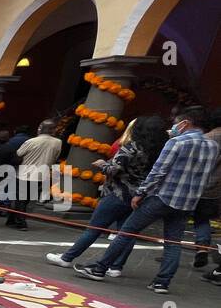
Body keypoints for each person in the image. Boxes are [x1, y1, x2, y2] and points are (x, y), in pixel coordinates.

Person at [75, 106, 218, 293]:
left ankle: (99, 268)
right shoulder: (213, 146)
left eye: (176, 123)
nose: (173, 126)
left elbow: (158, 172)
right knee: (173, 242)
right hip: (187, 202)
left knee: (127, 231)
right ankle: (161, 282)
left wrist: (141, 193)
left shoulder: (176, 142)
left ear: (185, 123)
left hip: (162, 197)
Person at [46, 116, 166, 273]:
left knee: (94, 228)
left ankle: (67, 257)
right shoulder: (159, 151)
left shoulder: (131, 147)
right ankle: (116, 267)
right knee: (127, 233)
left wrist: (102, 165)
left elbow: (113, 170)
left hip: (117, 193)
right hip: (138, 195)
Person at [12, 120, 63, 231]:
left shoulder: (31, 141)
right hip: (41, 175)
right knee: (27, 199)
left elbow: (18, 154)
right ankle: (14, 219)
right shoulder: (58, 142)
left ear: (41, 129)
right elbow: (55, 157)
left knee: (20, 199)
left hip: (24, 174)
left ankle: (20, 222)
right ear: (53, 130)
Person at [192, 109, 221, 269]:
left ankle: (200, 248)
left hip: (198, 186)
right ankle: (202, 247)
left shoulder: (207, 139)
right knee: (203, 219)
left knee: (178, 218)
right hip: (216, 190)